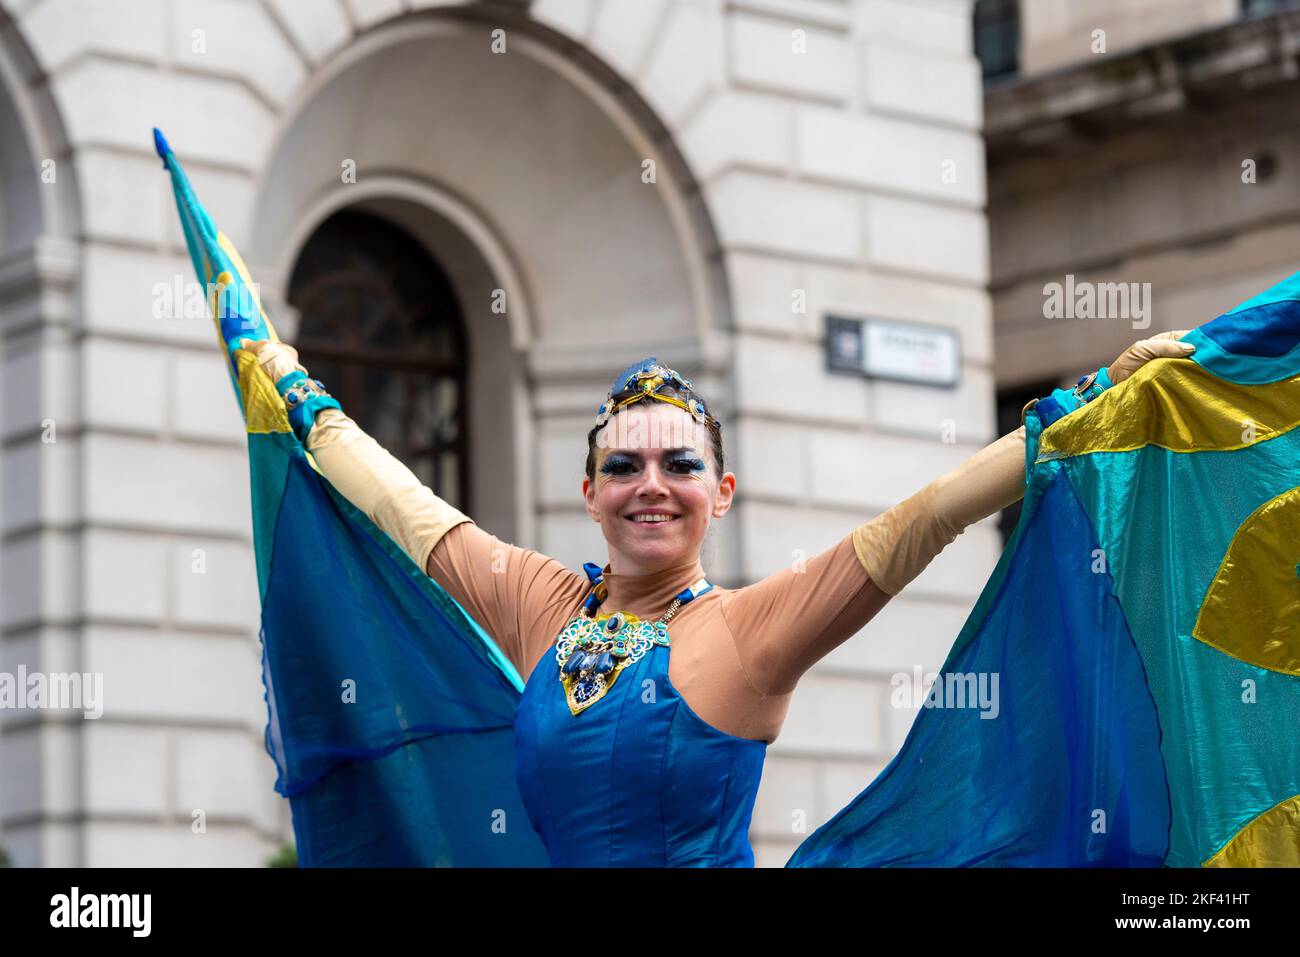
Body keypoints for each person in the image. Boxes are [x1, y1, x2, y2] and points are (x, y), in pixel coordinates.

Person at [237, 332, 1195, 866]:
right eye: (623, 465)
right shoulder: (543, 605)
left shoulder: (748, 631)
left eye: (679, 463)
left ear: (719, 494)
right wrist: (296, 391)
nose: (650, 482)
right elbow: (410, 512)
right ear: (591, 494)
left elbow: (923, 519)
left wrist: (1094, 396)